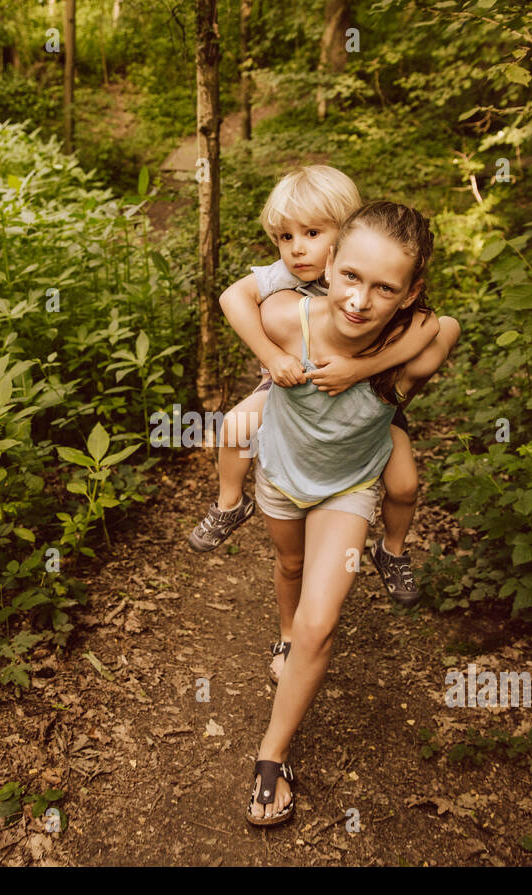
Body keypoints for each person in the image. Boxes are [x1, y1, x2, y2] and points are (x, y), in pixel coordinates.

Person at [244, 200, 461, 826]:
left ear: (410, 293)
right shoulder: (287, 318)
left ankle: (271, 755)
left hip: (348, 488)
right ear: (330, 262)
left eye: (385, 287)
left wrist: (369, 366)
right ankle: (284, 636)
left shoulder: (412, 350)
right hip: (283, 475)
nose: (361, 301)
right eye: (350, 277)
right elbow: (239, 302)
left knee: (322, 619)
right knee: (289, 564)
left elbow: (444, 328)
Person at [187, 166, 440, 608]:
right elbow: (232, 298)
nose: (296, 248)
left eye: (310, 232)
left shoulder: (370, 274)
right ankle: (230, 503)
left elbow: (434, 324)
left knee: (404, 485)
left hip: (366, 406)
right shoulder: (283, 277)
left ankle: (392, 550)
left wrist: (364, 369)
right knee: (233, 427)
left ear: (345, 236)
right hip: (288, 391)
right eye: (285, 237)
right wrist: (272, 357)